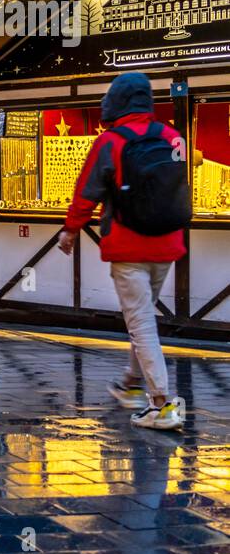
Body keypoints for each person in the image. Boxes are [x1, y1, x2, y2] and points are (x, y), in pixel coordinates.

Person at [58, 72, 189, 431]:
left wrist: (70, 230)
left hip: (128, 244)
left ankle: (161, 404)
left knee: (141, 323)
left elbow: (87, 192)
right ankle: (131, 383)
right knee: (142, 319)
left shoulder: (111, 142)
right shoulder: (173, 137)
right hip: (167, 241)